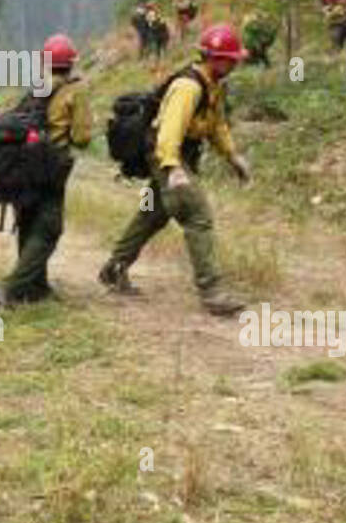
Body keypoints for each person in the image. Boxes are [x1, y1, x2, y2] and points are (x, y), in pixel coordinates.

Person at [98, 24, 251, 316]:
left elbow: (216, 125)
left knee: (152, 215)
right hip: (166, 154)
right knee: (197, 214)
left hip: (179, 154)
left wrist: (233, 157)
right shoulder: (189, 87)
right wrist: (172, 168)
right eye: (230, 58)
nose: (234, 63)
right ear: (213, 58)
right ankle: (212, 291)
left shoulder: (215, 85)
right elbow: (169, 131)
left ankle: (113, 270)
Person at [0, 34, 92, 305]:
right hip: (51, 165)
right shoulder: (76, 90)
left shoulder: (39, 86)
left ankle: (36, 287)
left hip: (24, 162)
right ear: (71, 63)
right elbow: (83, 138)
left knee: (29, 221)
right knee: (50, 227)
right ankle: (13, 287)